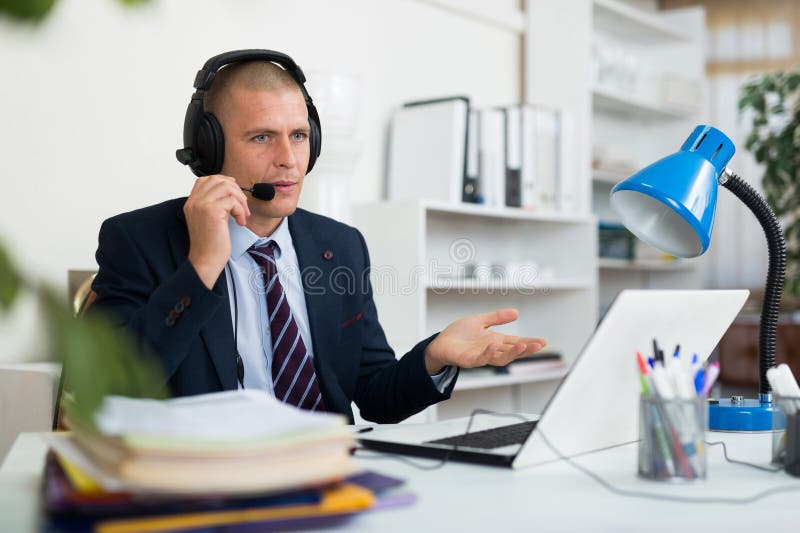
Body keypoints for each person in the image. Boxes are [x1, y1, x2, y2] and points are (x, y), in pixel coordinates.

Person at [91, 49, 546, 423]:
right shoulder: (137, 240)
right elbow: (113, 388)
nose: (289, 159)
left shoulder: (341, 245)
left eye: (299, 135)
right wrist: (203, 265)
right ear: (209, 148)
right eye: (261, 138)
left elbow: (373, 393)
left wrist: (435, 356)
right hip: (210, 486)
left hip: (327, 476)